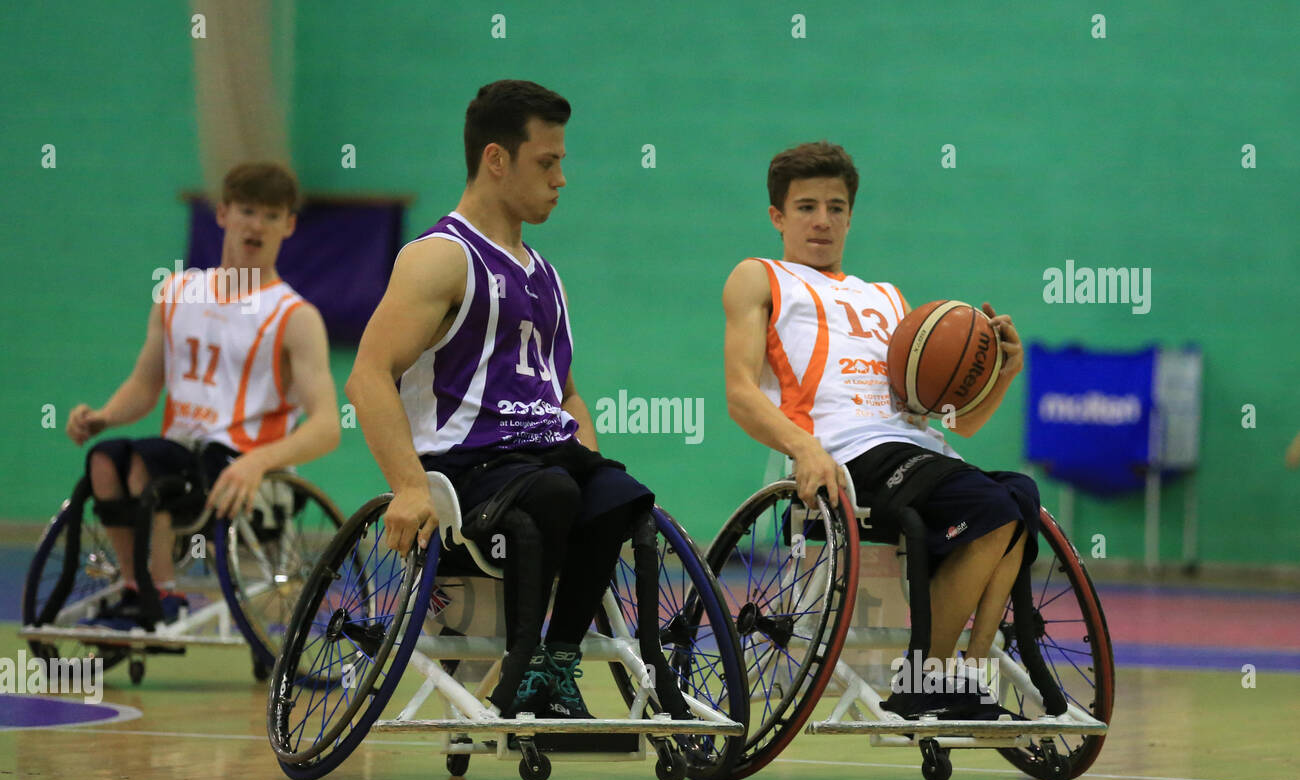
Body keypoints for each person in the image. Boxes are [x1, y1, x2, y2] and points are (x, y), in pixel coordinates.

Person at [346, 80, 655, 720]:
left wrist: (591, 467)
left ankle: (557, 668)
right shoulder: (440, 258)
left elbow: (566, 392)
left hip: (541, 462)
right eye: (547, 162)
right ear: (496, 159)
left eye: (561, 162)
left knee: (620, 498)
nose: (561, 178)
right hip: (465, 469)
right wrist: (406, 486)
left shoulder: (543, 273)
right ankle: (519, 669)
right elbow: (368, 375)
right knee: (556, 494)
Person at [721, 141, 1037, 718]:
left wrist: (1003, 374)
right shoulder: (759, 277)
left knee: (1019, 497)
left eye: (836, 207)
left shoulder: (888, 299)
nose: (822, 220)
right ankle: (928, 679)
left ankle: (962, 671)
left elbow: (955, 424)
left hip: (916, 452)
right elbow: (740, 393)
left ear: (850, 215)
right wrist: (803, 448)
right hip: (844, 454)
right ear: (777, 217)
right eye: (807, 207)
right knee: (990, 505)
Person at [66, 162, 341, 628]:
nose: (256, 224)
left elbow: (327, 426)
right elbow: (144, 385)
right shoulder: (176, 291)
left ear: (289, 225)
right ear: (222, 214)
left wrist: (258, 461)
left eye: (271, 215)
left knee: (146, 463)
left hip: (244, 466)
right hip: (178, 455)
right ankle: (137, 588)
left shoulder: (296, 316)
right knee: (105, 459)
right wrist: (104, 417)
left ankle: (161, 595)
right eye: (247, 210)